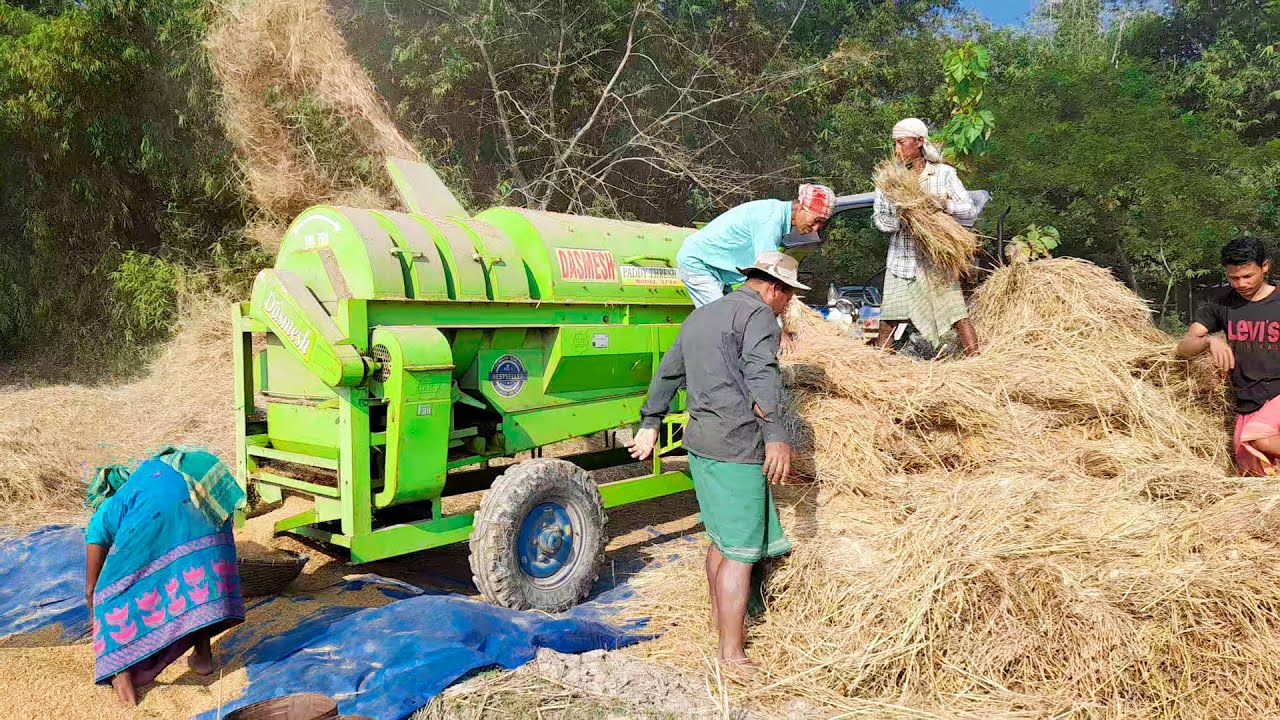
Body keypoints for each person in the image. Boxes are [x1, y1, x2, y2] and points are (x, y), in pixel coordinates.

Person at [627, 250, 802, 671]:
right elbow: (763, 375)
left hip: (702, 445)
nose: (788, 304)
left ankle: (722, 627)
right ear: (773, 287)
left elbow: (667, 371)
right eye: (789, 296)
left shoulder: (701, 316)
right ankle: (732, 655)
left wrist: (650, 420)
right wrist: (776, 435)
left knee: (722, 541)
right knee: (741, 553)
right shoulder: (759, 316)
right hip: (737, 445)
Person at [86, 446, 246, 705]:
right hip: (208, 515)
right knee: (196, 579)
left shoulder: (110, 507)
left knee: (108, 596)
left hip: (165, 518)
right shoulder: (156, 474)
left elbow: (91, 586)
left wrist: (96, 600)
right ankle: (203, 657)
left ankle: (121, 674)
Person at [872, 117, 980, 356]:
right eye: (895, 144)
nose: (897, 150)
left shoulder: (943, 175)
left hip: (937, 262)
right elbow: (880, 219)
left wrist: (941, 205)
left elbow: (969, 210)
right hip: (902, 261)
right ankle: (880, 371)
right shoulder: (888, 180)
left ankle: (979, 364)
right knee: (889, 319)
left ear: (919, 142)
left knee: (957, 315)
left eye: (902, 143)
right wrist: (905, 216)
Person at [1177, 236, 1280, 476]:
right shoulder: (1221, 304)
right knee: (1251, 471)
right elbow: (1184, 347)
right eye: (1233, 278)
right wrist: (1211, 340)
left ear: (1265, 267)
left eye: (1248, 276)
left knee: (1258, 436)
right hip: (1249, 400)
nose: (1241, 283)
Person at [677, 184, 834, 308]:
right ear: (800, 207)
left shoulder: (778, 217)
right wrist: (780, 328)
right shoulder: (769, 221)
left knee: (733, 317)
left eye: (821, 224)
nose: (815, 228)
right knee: (721, 320)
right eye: (816, 220)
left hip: (718, 270)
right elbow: (767, 281)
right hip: (699, 263)